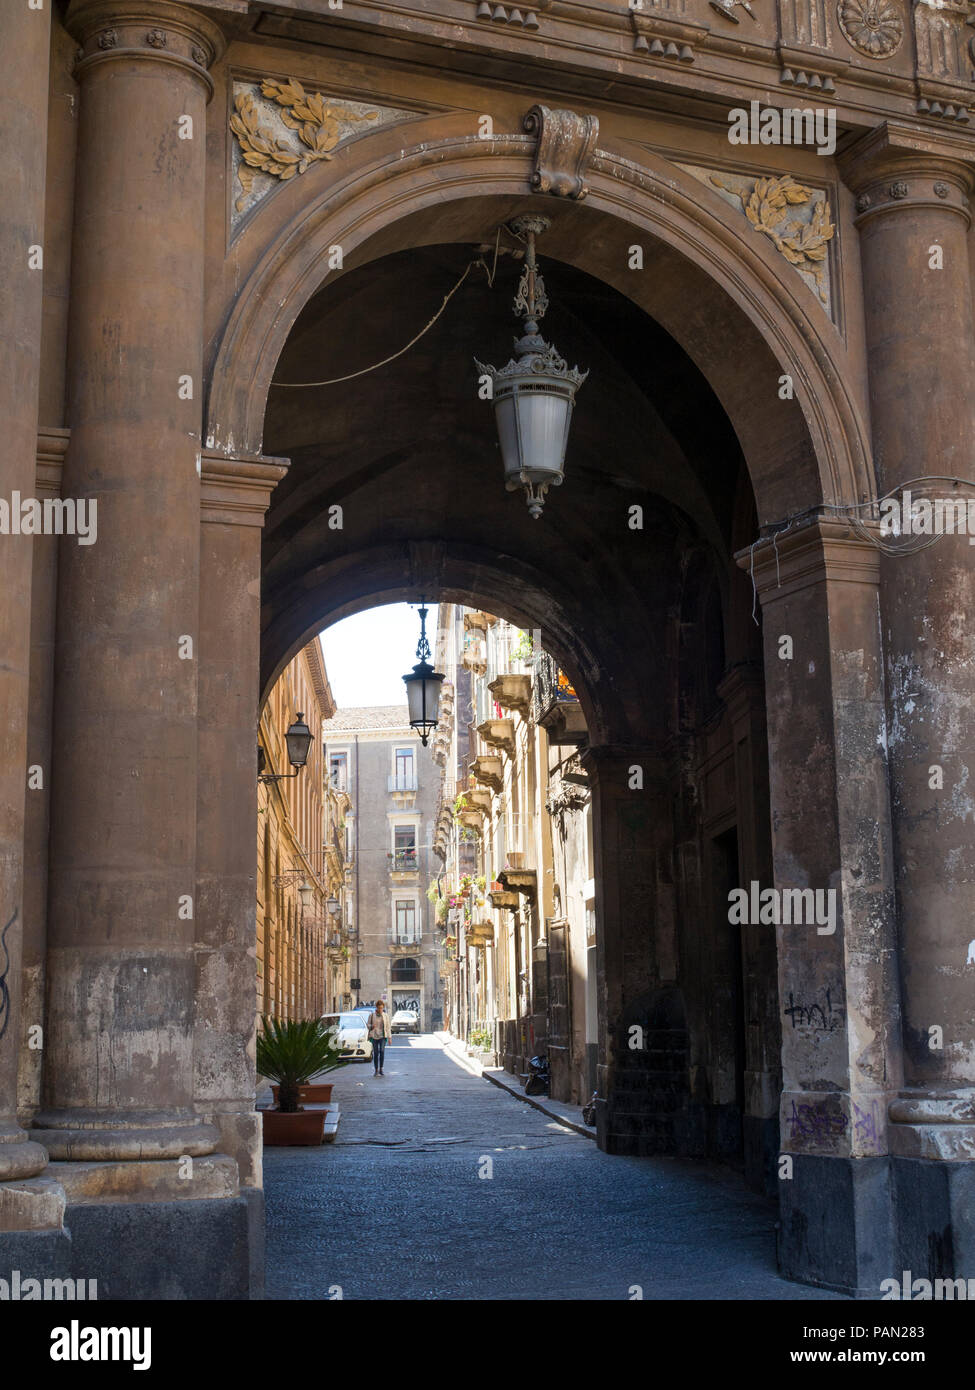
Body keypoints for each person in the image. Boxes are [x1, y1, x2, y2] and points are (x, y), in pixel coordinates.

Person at [367, 999, 391, 1076]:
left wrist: (389, 1037)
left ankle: (381, 1069)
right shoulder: (372, 1015)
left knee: (382, 1051)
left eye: (382, 1008)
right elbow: (368, 1025)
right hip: (374, 1036)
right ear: (376, 1007)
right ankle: (376, 1070)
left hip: (383, 1036)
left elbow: (388, 1027)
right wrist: (372, 1026)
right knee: (376, 1053)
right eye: (379, 1008)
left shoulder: (385, 1015)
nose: (380, 1009)